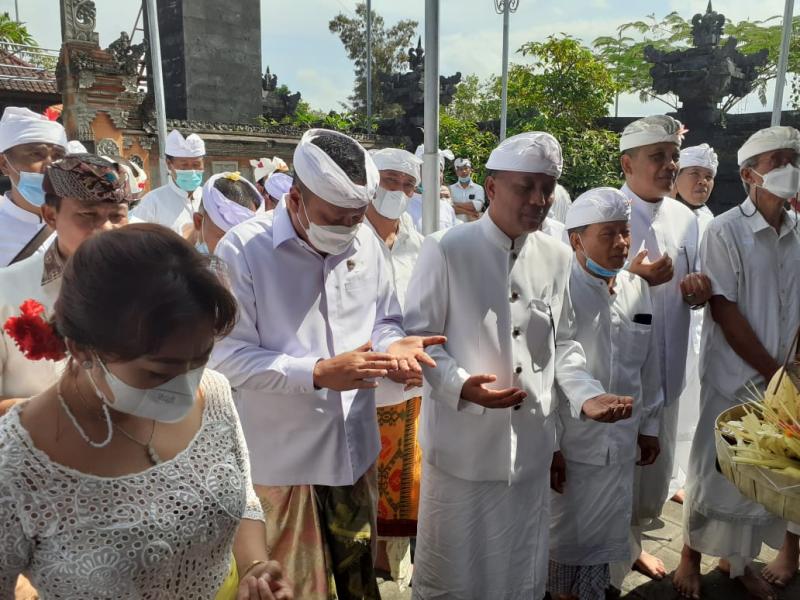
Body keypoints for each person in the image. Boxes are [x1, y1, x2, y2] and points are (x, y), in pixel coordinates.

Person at [209, 129, 444, 600]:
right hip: (281, 465)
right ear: (294, 198)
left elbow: (386, 320)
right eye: (333, 219)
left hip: (354, 452)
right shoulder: (242, 251)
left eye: (356, 219)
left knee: (358, 583)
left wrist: (394, 348)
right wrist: (316, 372)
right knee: (291, 589)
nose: (346, 230)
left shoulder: (366, 243)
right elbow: (225, 356)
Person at [0, 223, 293, 599]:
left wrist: (255, 567)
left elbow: (241, 499)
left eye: (200, 360)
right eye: (159, 371)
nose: (186, 384)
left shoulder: (215, 395)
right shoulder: (17, 465)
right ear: (82, 350)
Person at [403, 131, 634, 600]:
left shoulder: (555, 254)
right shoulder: (446, 248)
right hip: (463, 449)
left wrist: (586, 394)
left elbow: (563, 342)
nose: (539, 199)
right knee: (454, 573)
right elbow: (421, 343)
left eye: (547, 188)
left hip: (529, 449)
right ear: (490, 188)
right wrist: (462, 386)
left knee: (518, 573)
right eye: (524, 186)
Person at [674, 126, 800, 600]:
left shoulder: (797, 230)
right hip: (737, 376)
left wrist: (792, 370)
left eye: (795, 159)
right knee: (714, 470)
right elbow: (724, 309)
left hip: (785, 381)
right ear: (749, 174)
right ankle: (689, 556)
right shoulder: (725, 229)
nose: (790, 169)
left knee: (768, 476)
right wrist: (772, 373)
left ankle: (740, 563)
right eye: (778, 161)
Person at [548, 188, 663, 600]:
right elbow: (549, 373)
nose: (621, 244)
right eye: (608, 234)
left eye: (625, 233)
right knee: (564, 538)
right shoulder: (558, 290)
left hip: (624, 440)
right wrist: (550, 448)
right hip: (573, 444)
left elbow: (649, 366)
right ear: (577, 239)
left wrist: (649, 426)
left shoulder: (637, 287)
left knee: (610, 531)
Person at [613, 115, 712, 583]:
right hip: (618, 375)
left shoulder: (685, 218)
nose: (669, 166)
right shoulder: (607, 212)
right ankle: (617, 551)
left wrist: (695, 291)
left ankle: (631, 541)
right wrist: (633, 278)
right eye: (658, 157)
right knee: (614, 474)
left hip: (669, 369)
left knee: (653, 472)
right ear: (627, 164)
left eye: (673, 156)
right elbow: (578, 290)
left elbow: (692, 286)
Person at [0, 154, 132, 404]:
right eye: (88, 215)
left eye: (116, 217)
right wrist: (56, 414)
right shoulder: (6, 290)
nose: (105, 229)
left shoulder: (148, 284)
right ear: (51, 216)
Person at [366, 147, 426, 588]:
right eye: (390, 181)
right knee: (362, 483)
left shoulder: (420, 245)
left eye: (408, 185)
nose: (399, 192)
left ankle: (394, 562)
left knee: (406, 480)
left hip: (410, 385)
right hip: (359, 385)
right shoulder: (347, 240)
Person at [670, 143, 718, 505]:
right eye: (695, 175)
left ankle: (685, 472)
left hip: (702, 321)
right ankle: (669, 476)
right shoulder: (666, 215)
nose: (702, 183)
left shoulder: (711, 220)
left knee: (694, 399)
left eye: (708, 177)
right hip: (668, 319)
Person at [0, 107, 67, 266]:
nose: (50, 166)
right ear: (3, 164)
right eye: (37, 155)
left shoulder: (79, 224)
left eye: (58, 156)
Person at [132, 129, 205, 238]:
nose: (192, 171)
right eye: (184, 166)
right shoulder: (152, 202)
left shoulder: (209, 198)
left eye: (196, 164)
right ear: (169, 164)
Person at [193, 171, 262, 254]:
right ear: (199, 222)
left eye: (244, 240)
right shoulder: (179, 264)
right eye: (225, 239)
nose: (235, 250)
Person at [407, 145, 457, 232]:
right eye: (427, 168)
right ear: (416, 172)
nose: (433, 173)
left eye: (439, 170)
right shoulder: (404, 205)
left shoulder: (447, 208)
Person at [449, 157, 484, 222]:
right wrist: (470, 212)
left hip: (473, 227)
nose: (464, 171)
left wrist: (455, 204)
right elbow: (449, 208)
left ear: (470, 170)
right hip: (455, 227)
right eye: (460, 169)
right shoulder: (450, 189)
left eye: (466, 168)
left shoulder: (478, 188)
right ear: (456, 172)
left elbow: (478, 206)